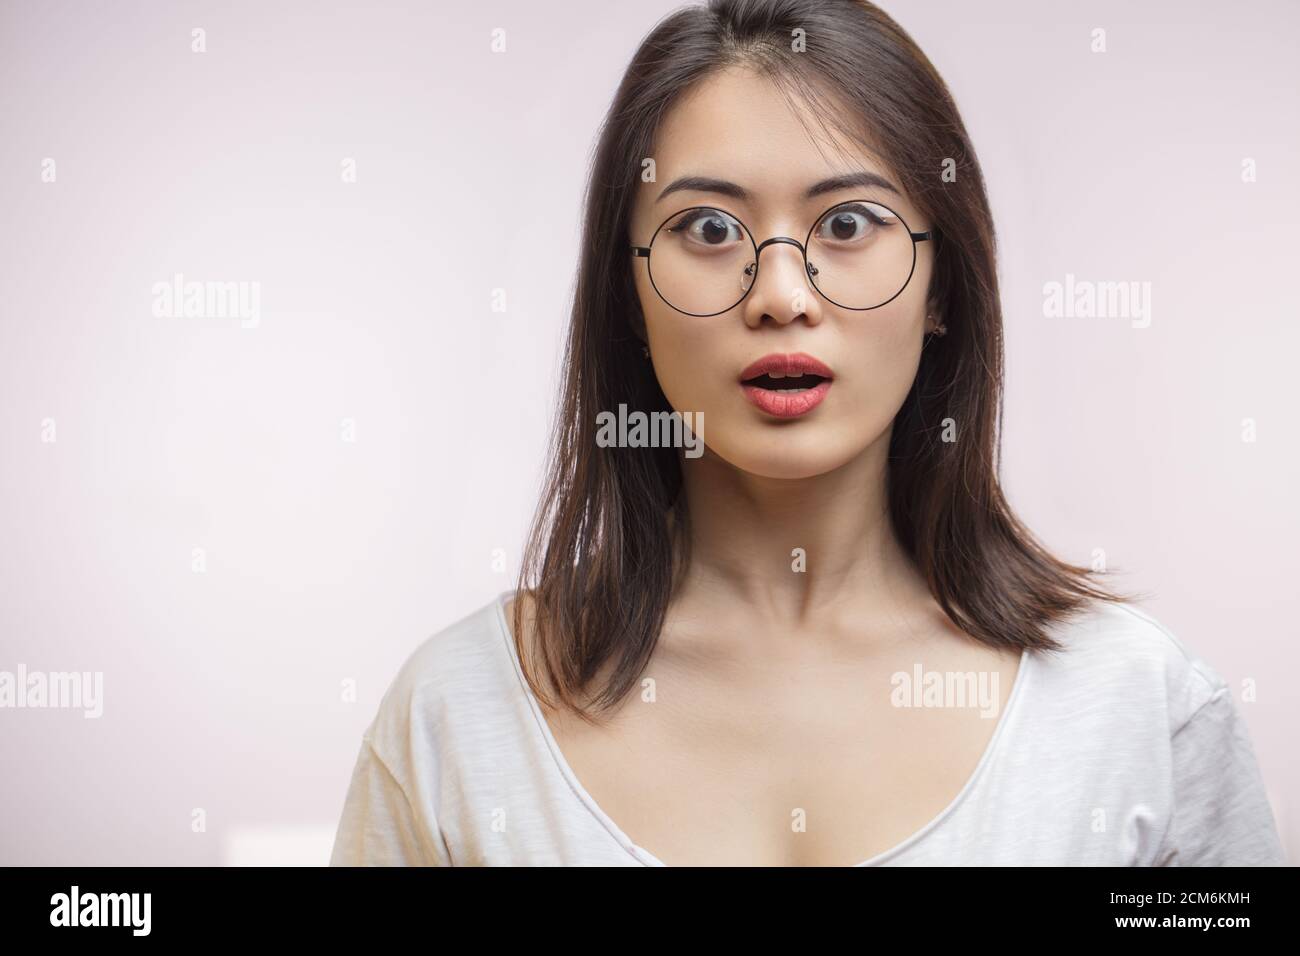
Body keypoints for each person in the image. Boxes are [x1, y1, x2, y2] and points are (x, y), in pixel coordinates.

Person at [329, 0, 1286, 867]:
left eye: (849, 222)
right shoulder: (456, 720)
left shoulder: (1137, 709)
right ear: (627, 291)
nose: (781, 295)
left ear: (942, 283)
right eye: (707, 229)